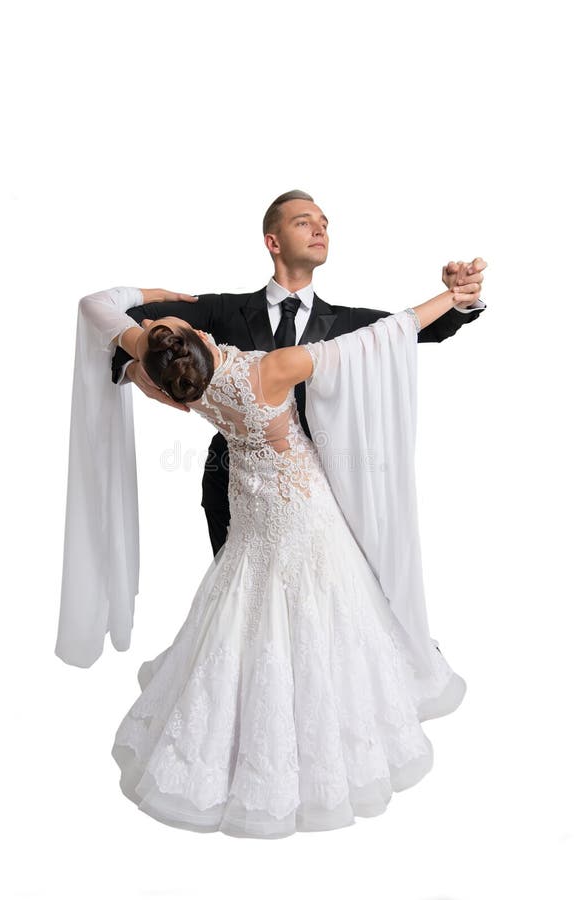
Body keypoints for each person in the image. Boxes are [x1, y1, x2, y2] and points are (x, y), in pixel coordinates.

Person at [58, 260, 485, 837]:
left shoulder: (165, 376)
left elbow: (96, 307)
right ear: (202, 337)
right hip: (302, 504)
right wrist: (446, 294)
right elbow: (379, 339)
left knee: (244, 603)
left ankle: (234, 733)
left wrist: (151, 305)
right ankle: (323, 745)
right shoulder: (273, 369)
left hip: (254, 508)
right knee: (321, 603)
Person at [110, 190, 487, 555]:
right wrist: (136, 367)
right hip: (231, 486)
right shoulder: (222, 311)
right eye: (304, 222)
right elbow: (125, 320)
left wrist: (461, 297)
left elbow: (425, 329)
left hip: (320, 492)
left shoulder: (350, 323)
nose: (320, 230)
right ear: (272, 242)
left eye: (324, 223)